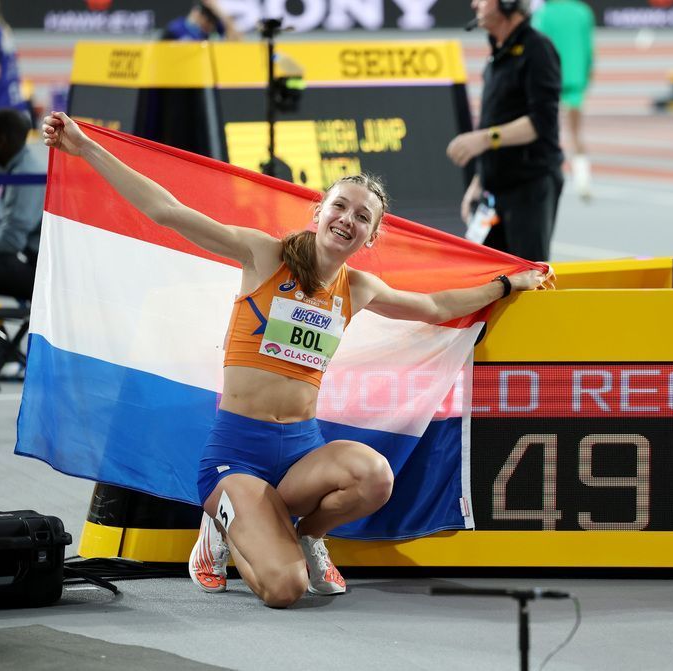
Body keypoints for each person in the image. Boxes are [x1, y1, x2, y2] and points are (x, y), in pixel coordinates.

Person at [42, 111, 552, 608]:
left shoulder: (360, 287)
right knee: (285, 590)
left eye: (362, 217)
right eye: (340, 207)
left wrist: (510, 282)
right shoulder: (264, 255)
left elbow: (437, 307)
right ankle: (222, 520)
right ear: (318, 211)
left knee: (376, 477)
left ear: (371, 237)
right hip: (237, 452)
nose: (347, 220)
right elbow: (167, 212)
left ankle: (307, 536)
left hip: (302, 451)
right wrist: (85, 148)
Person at [446, 0, 563, 262]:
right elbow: (493, 119)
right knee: (492, 274)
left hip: (529, 184)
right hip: (495, 186)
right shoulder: (497, 52)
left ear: (509, 4)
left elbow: (541, 122)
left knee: (527, 273)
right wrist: (480, 181)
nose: (474, 4)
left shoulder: (537, 49)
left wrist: (485, 139)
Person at [532, 0, 596, 201]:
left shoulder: (543, 14)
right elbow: (589, 50)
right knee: (576, 132)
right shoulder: (582, 12)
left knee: (542, 130)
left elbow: (535, 48)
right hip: (576, 79)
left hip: (548, 80)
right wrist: (586, 75)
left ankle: (545, 179)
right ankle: (583, 180)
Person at [0, 108, 45, 302]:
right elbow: (2, 224)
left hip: (38, 271)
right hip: (27, 257)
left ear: (1, 141)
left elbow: (11, 240)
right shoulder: (18, 167)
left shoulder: (25, 175)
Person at [161, 0, 239, 41]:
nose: (210, 26)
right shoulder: (176, 28)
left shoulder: (213, 27)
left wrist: (220, 12)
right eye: (207, 20)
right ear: (197, 12)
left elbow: (236, 40)